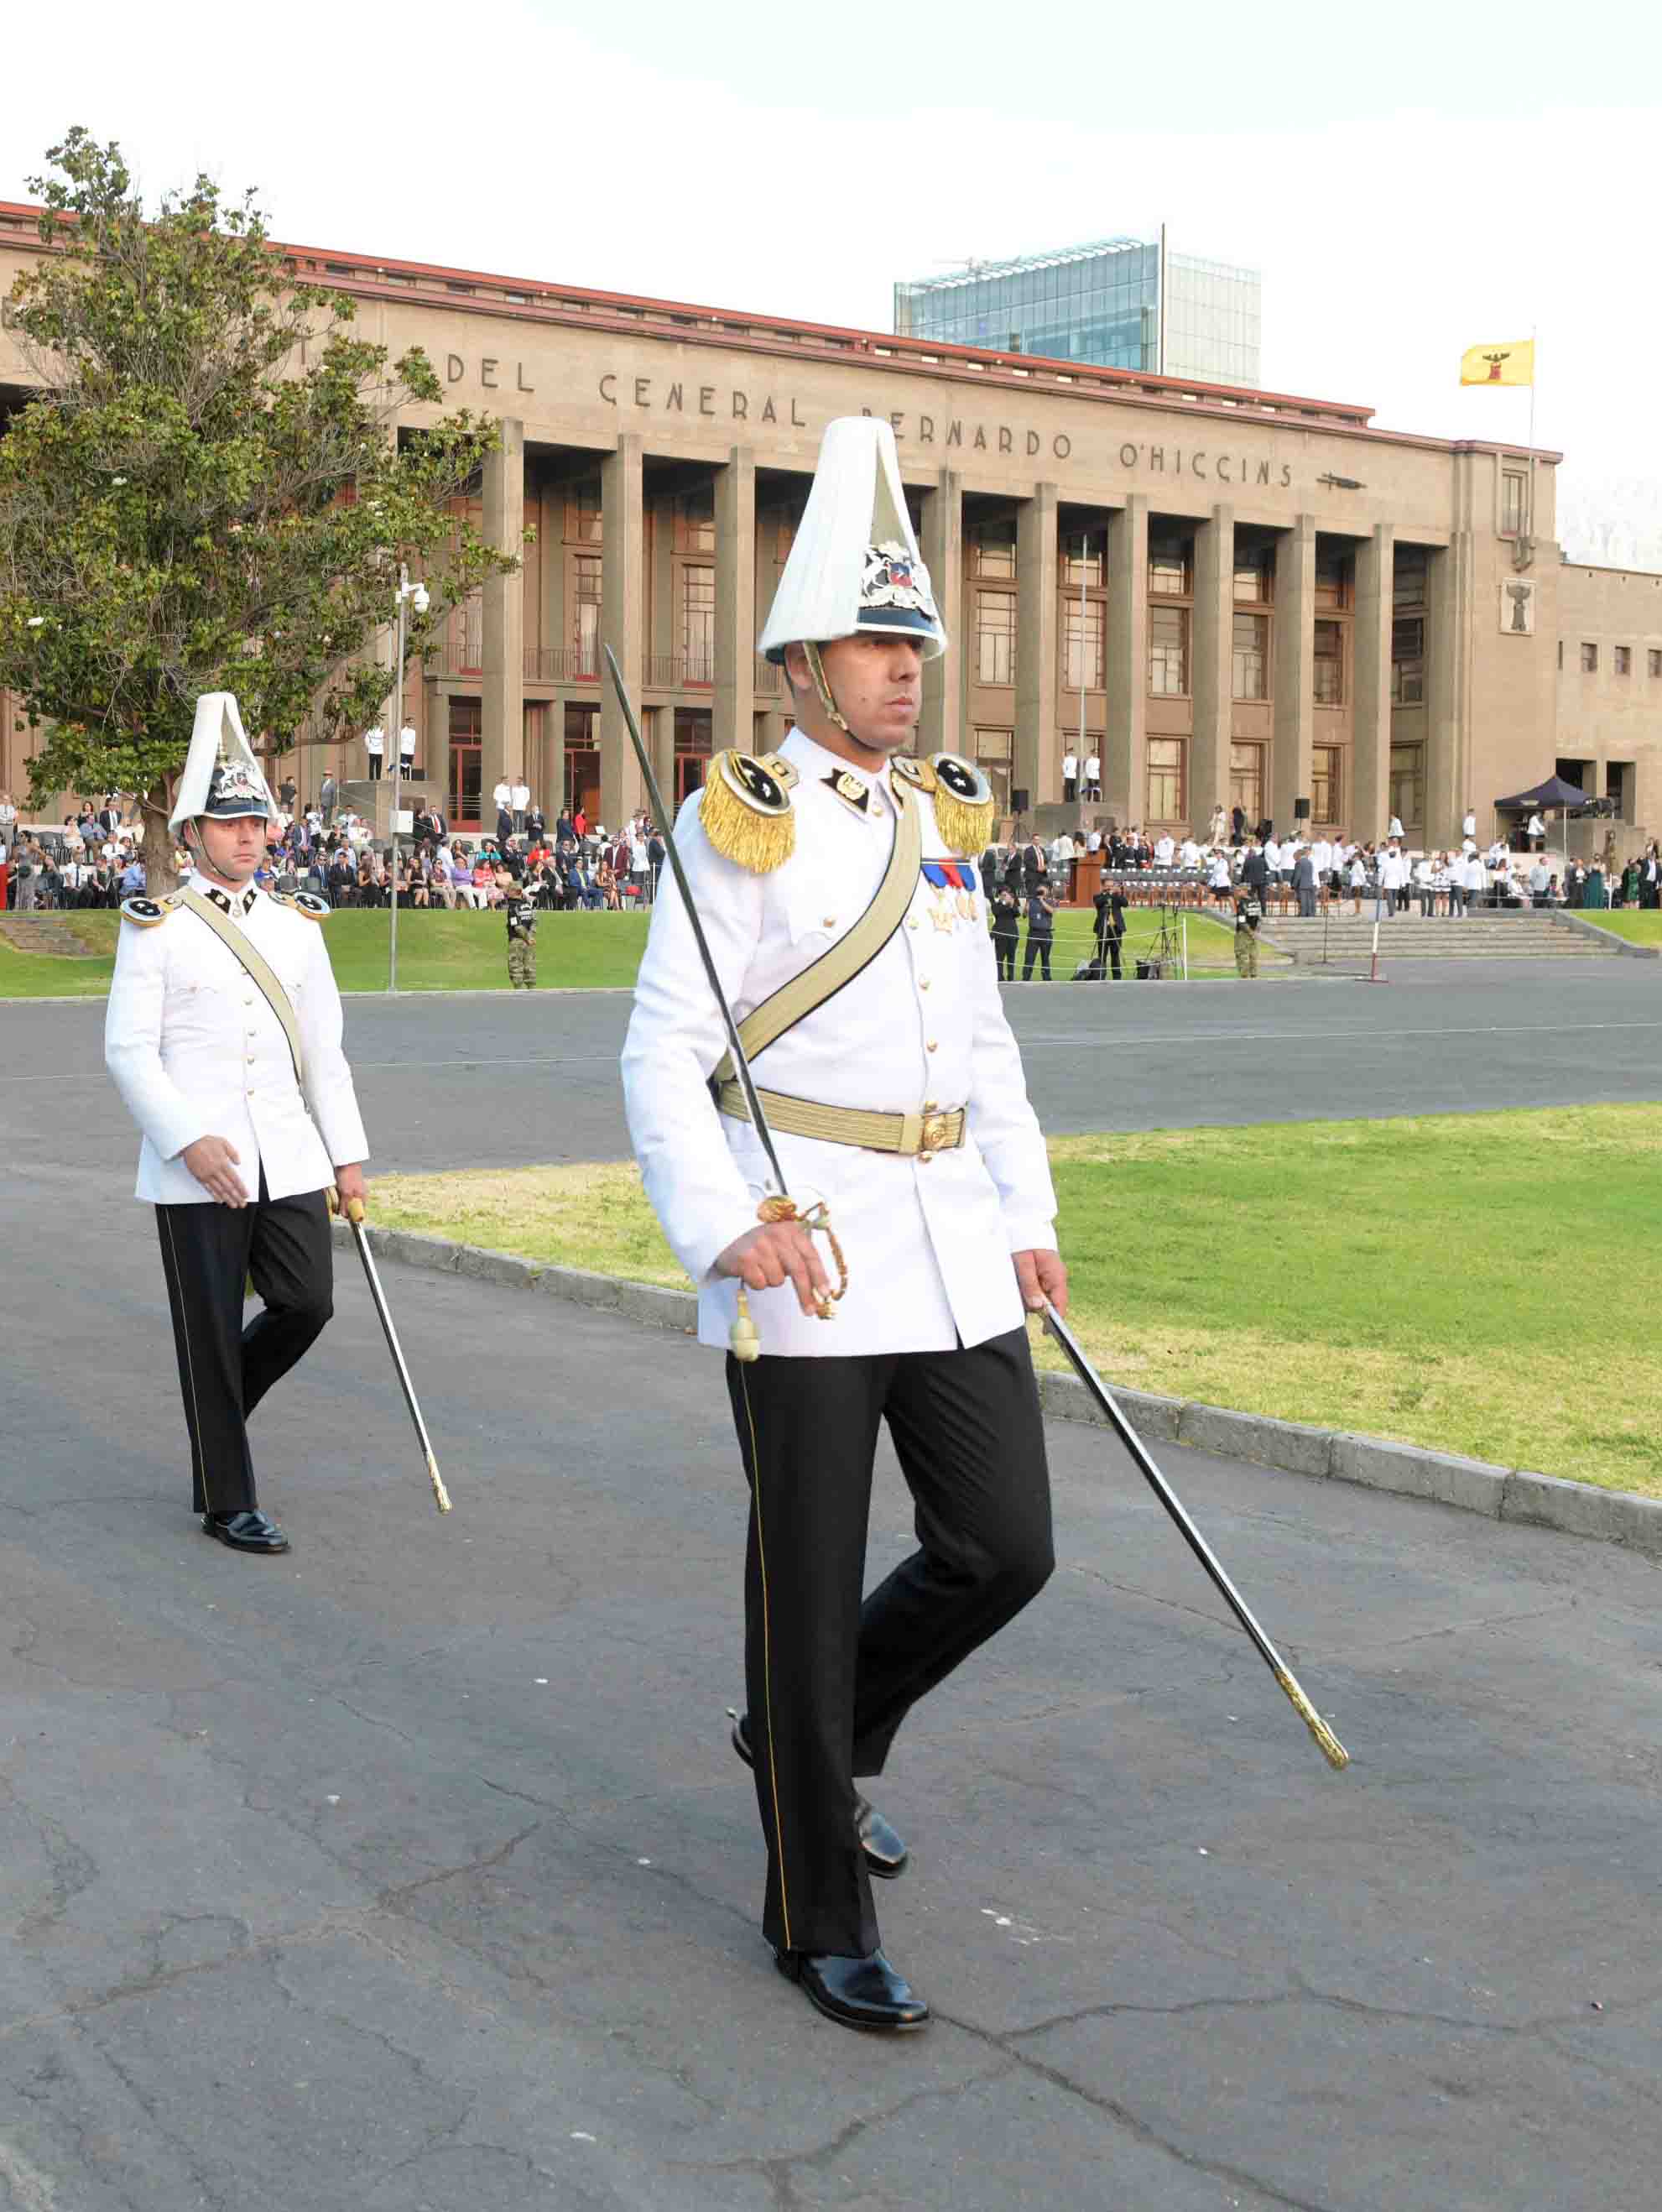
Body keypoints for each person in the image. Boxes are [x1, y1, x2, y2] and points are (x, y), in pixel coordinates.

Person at [620, 415, 1061, 2036]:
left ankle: (814, 1735)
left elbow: (984, 1046)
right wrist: (717, 1225)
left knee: (1003, 1544)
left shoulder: (940, 823)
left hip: (949, 1240)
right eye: (877, 646)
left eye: (914, 645)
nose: (903, 671)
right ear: (802, 663)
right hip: (800, 1242)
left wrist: (1027, 1210)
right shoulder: (739, 817)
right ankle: (815, 1914)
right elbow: (663, 1048)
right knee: (803, 1589)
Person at [104, 692, 369, 1558]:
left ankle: (213, 1417)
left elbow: (323, 1051)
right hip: (198, 1163)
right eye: (229, 823)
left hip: (287, 1152)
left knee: (307, 1301)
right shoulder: (156, 928)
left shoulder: (298, 927)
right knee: (210, 1330)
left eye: (256, 821)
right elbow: (127, 1050)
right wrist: (186, 1140)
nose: (248, 837)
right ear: (192, 833)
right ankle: (228, 1496)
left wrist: (347, 1158)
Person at [1091, 877, 1129, 980]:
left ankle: (1117, 978)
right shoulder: (1098, 896)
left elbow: (1125, 904)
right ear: (1103, 886)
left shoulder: (1117, 896)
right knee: (1102, 955)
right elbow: (1099, 903)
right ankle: (1100, 976)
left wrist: (1119, 893)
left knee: (1115, 955)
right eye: (1108, 886)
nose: (1110, 888)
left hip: (1116, 928)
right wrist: (1109, 893)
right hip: (1102, 928)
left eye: (1112, 886)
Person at [503, 876, 538, 988]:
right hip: (529, 942)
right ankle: (532, 990)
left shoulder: (513, 907)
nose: (507, 893)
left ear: (514, 891)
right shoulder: (527, 905)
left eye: (509, 890)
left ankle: (519, 993)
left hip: (517, 941)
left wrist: (527, 937)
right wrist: (530, 937)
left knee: (516, 968)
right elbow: (534, 921)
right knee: (530, 968)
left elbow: (517, 926)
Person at [1019, 885, 1056, 982]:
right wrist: (1026, 906)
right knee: (1029, 957)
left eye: (1043, 891)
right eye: (1039, 891)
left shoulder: (1050, 901)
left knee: (1045, 958)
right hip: (1033, 933)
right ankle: (1026, 977)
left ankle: (1046, 977)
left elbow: (1052, 911)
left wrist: (1042, 900)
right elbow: (1024, 915)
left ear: (1046, 892)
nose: (1041, 893)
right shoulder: (1031, 901)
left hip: (1046, 933)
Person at [1232, 879, 1267, 977]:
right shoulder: (1256, 902)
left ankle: (1244, 975)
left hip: (1243, 933)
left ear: (1245, 891)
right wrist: (1255, 931)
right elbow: (1260, 919)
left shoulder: (1242, 904)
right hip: (1254, 932)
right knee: (1253, 955)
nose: (1237, 893)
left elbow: (1242, 921)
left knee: (1241, 954)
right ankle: (1254, 974)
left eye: (1239, 891)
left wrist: (1250, 932)